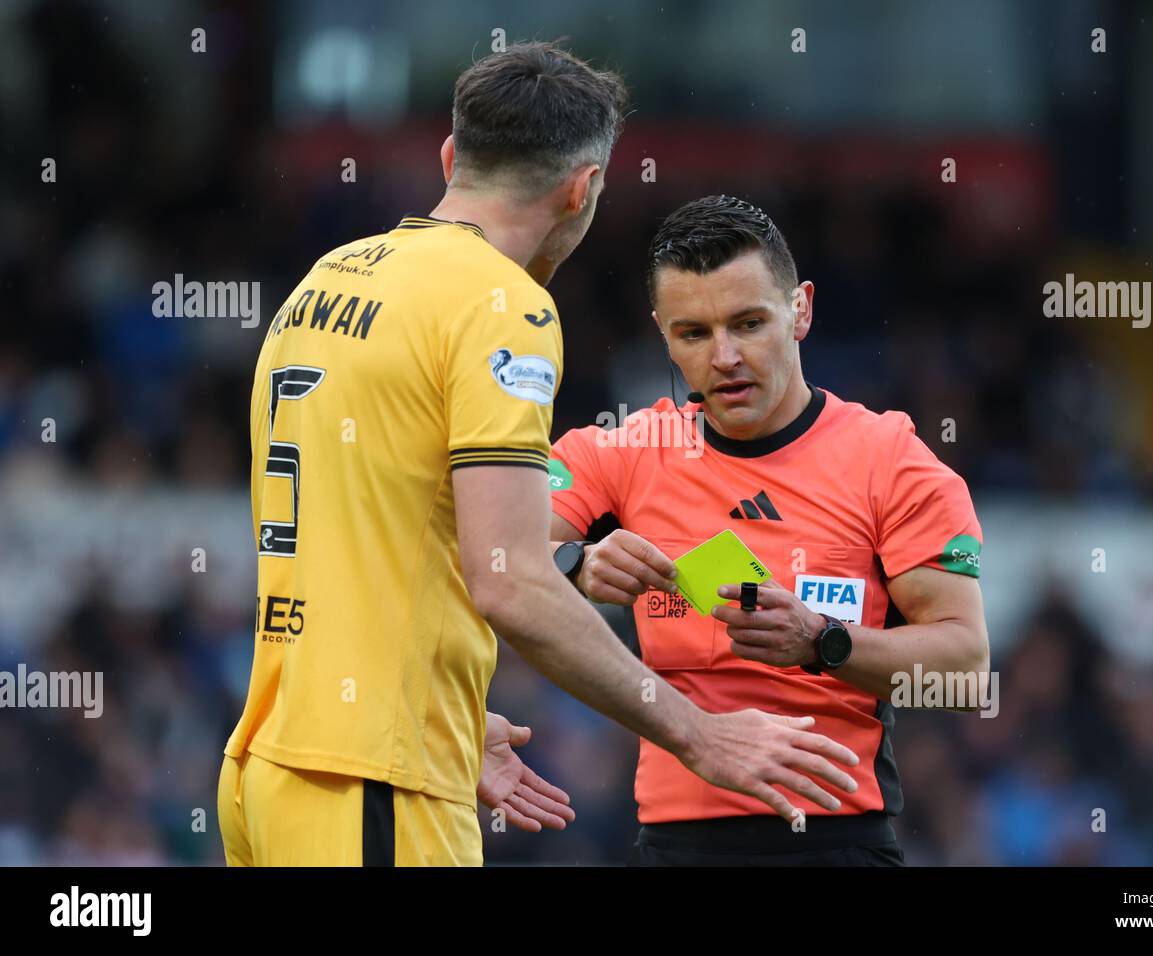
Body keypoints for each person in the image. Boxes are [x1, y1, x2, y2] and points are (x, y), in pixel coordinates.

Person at [218, 47, 858, 867]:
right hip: (375, 782)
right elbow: (509, 577)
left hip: (268, 767)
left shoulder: (327, 278)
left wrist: (444, 707)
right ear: (582, 189)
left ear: (452, 159)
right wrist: (699, 734)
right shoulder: (504, 309)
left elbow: (376, 525)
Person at [549, 195, 990, 866]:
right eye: (693, 333)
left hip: (834, 842)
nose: (724, 356)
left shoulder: (893, 460)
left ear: (801, 309)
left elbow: (966, 671)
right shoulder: (623, 452)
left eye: (749, 323)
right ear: (661, 333)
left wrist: (823, 642)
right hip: (674, 845)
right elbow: (491, 546)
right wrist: (574, 563)